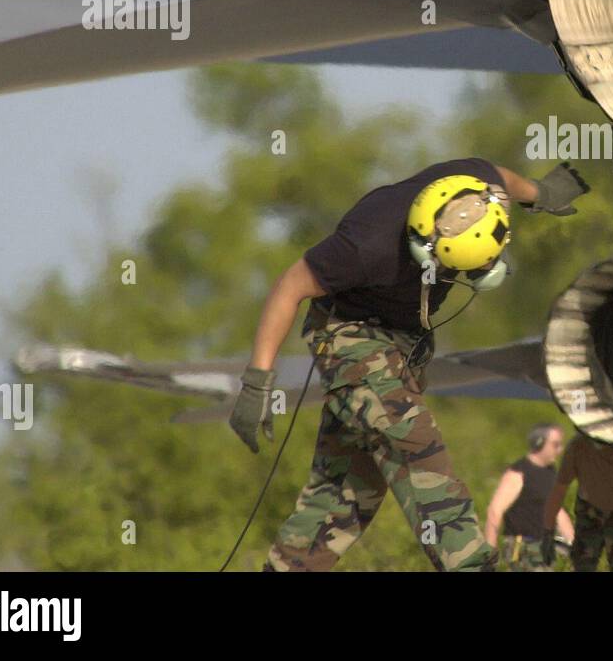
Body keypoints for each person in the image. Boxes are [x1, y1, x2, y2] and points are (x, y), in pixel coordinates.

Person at [228, 157, 589, 571]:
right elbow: (288, 287)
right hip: (349, 335)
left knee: (347, 491)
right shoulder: (365, 243)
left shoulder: (483, 188)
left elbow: (502, 177)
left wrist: (542, 193)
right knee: (414, 442)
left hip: (403, 343)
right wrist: (258, 382)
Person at [541, 433, 613, 572]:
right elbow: (559, 489)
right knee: (582, 564)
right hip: (590, 511)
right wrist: (548, 531)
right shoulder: (578, 447)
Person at [485, 424, 574, 570]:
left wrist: (573, 544)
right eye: (555, 444)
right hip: (522, 549)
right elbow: (495, 511)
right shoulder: (518, 473)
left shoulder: (550, 472)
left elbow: (557, 511)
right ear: (539, 442)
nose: (560, 449)